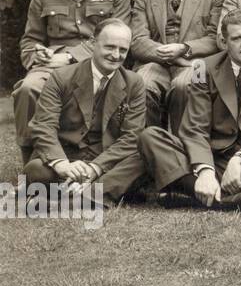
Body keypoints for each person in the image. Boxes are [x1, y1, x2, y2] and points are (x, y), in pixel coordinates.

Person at [136, 8, 241, 210]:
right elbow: (195, 127)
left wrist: (240, 158)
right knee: (150, 137)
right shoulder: (201, 68)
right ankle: (230, 200)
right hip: (214, 156)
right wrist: (205, 170)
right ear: (224, 42)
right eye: (237, 38)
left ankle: (193, 195)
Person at [15, 0, 133, 157]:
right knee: (27, 89)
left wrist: (68, 57)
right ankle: (30, 164)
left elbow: (118, 39)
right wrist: (38, 54)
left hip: (99, 64)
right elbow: (30, 40)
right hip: (52, 67)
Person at [22, 17, 147, 203]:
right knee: (36, 170)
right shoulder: (61, 77)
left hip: (106, 159)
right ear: (93, 44)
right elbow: (44, 125)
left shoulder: (134, 83)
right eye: (110, 47)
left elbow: (132, 136)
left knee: (144, 158)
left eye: (123, 50)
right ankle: (102, 190)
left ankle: (77, 194)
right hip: (67, 155)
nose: (116, 55)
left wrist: (95, 168)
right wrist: (62, 164)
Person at [129, 0, 223, 129]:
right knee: (142, 83)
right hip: (153, 62)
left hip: (197, 63)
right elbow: (138, 41)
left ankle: (186, 146)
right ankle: (151, 145)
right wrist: (170, 56)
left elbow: (215, 39)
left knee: (187, 84)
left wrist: (184, 48)